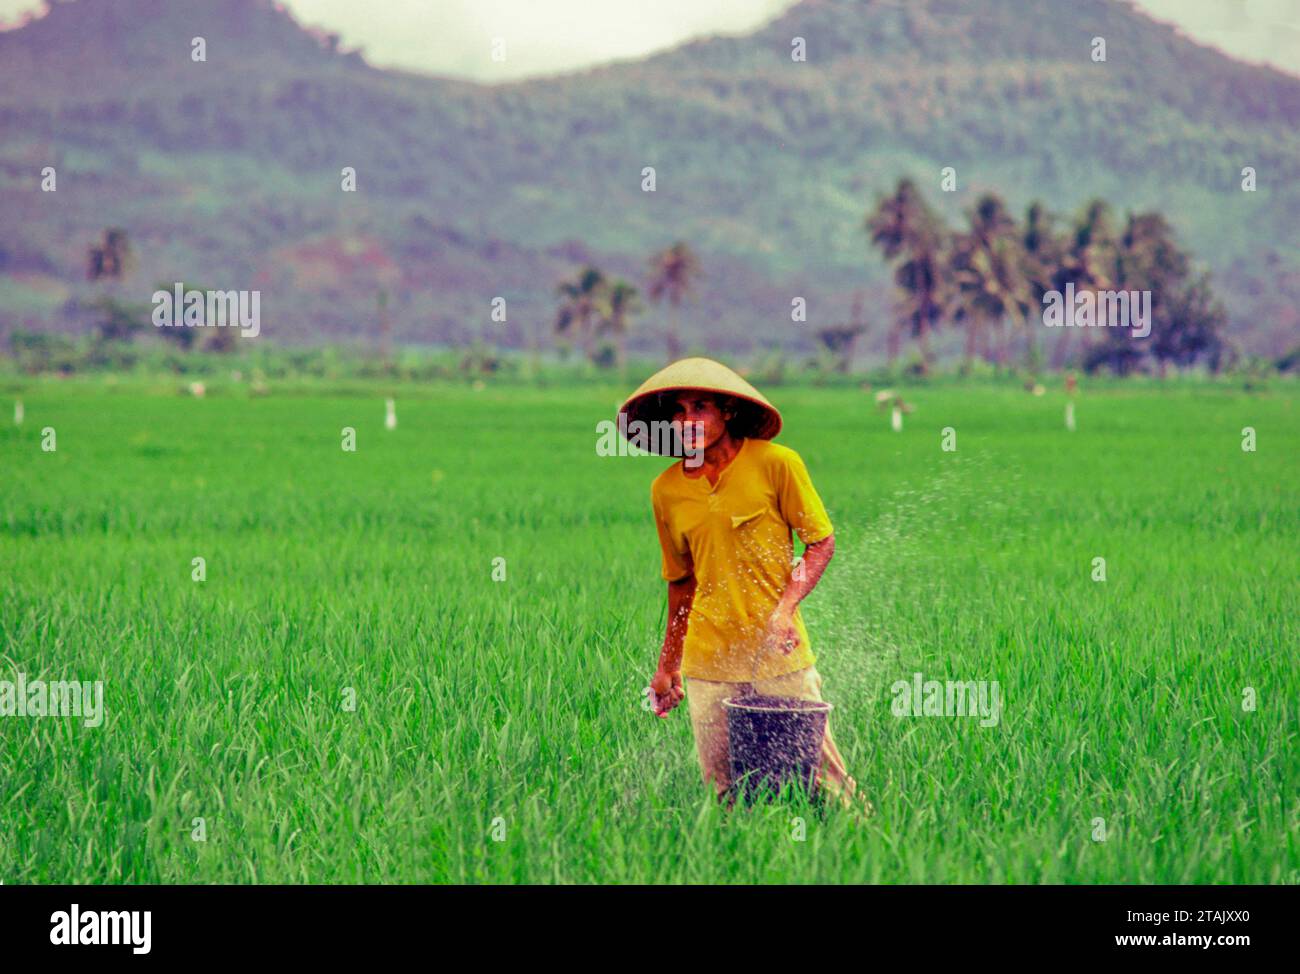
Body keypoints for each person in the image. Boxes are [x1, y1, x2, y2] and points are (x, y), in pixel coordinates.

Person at [618, 357, 872, 817]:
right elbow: (681, 587)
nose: (687, 420)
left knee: (822, 776)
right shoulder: (666, 491)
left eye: (700, 407)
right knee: (725, 789)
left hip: (778, 651)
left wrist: (784, 610)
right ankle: (741, 862)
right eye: (678, 411)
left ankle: (870, 848)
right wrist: (667, 667)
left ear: (728, 412)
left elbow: (820, 543)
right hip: (708, 659)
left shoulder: (776, 464)